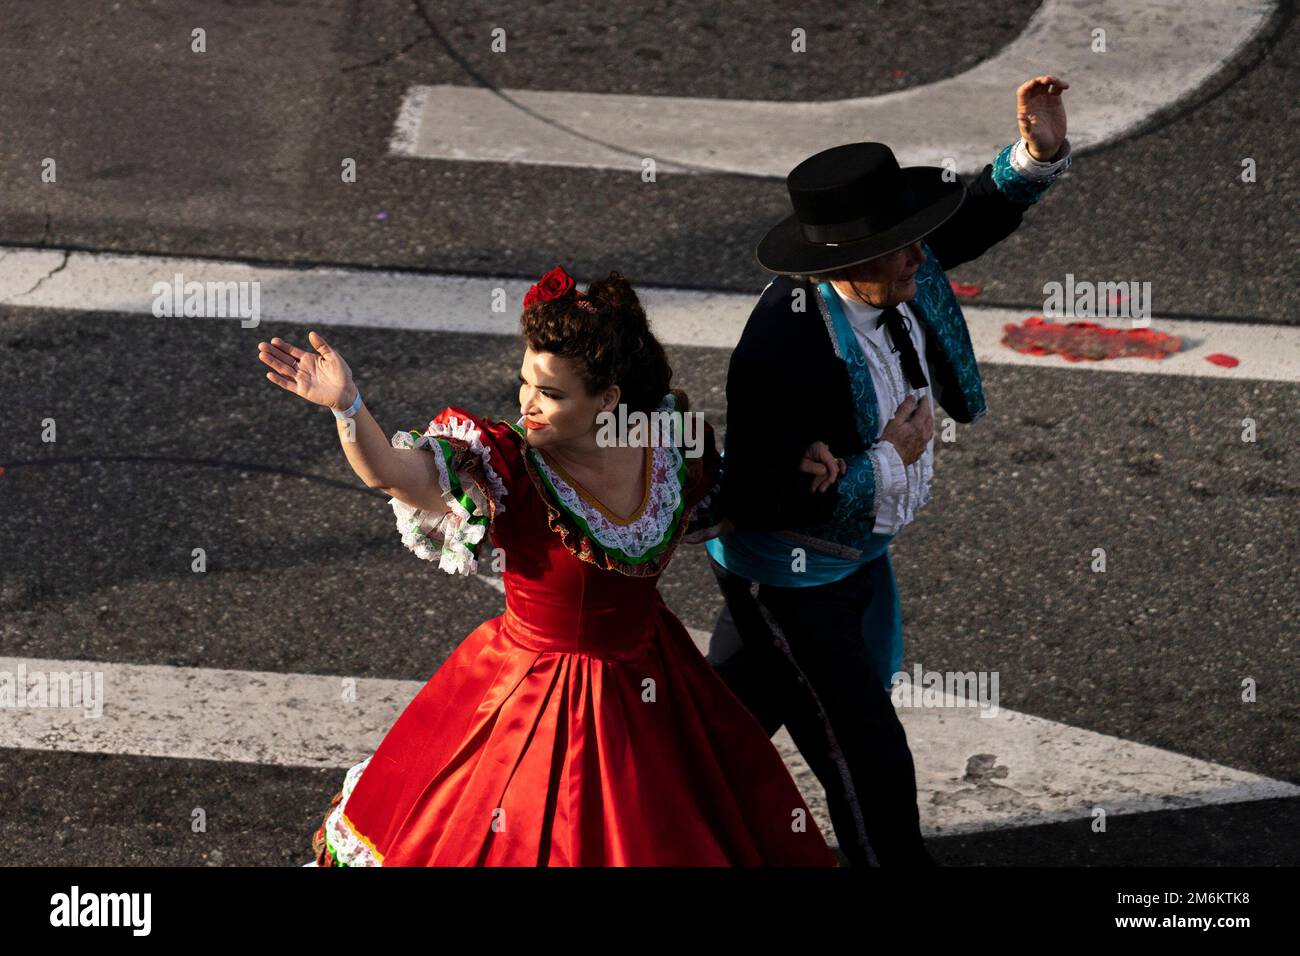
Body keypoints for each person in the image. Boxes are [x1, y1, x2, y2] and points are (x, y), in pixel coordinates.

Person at [256, 266, 836, 866]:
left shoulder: (663, 438)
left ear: (608, 400)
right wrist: (348, 407)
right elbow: (392, 474)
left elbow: (732, 487)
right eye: (525, 382)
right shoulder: (505, 466)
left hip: (652, 671)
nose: (526, 405)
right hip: (538, 698)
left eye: (551, 394)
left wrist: (808, 463)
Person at [705, 76, 1073, 866]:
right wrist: (883, 460)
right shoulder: (785, 346)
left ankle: (620, 833)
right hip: (795, 584)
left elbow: (969, 220)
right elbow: (757, 496)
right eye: (902, 244)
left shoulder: (892, 264)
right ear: (852, 261)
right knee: (866, 759)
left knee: (710, 746)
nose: (920, 252)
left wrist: (1035, 156)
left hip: (848, 566)